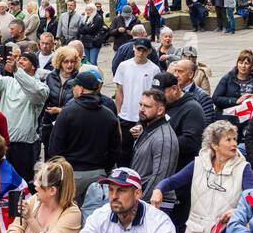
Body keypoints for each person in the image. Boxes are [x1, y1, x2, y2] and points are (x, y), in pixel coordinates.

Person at [48, 71, 120, 203]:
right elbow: (115, 149)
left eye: (74, 86)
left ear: (80, 89)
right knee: (94, 217)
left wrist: (59, 172)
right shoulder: (109, 115)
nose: (73, 89)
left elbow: (55, 148)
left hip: (71, 174)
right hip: (98, 174)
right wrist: (105, 169)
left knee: (69, 215)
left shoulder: (67, 113)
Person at [0, 49, 46, 183]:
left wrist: (17, 71)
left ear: (34, 66)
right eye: (19, 59)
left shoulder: (41, 87)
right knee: (0, 181)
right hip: (3, 143)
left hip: (24, 146)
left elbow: (34, 91)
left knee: (22, 183)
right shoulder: (7, 82)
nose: (20, 61)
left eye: (25, 59)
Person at [129, 88, 179, 208]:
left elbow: (160, 176)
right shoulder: (147, 128)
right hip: (143, 197)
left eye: (146, 106)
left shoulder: (164, 138)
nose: (141, 109)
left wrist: (140, 204)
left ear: (160, 110)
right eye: (140, 105)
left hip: (155, 203)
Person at [113, 39, 161, 159]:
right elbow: (119, 91)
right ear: (134, 48)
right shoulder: (123, 66)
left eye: (144, 50)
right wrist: (118, 114)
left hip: (145, 118)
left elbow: (155, 96)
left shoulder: (154, 69)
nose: (141, 53)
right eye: (139, 49)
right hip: (125, 117)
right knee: (123, 152)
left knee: (142, 153)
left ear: (149, 51)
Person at [155, 70, 205, 172]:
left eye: (161, 93)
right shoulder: (162, 104)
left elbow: (191, 142)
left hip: (180, 169)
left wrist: (159, 141)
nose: (157, 97)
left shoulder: (192, 109)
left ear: (174, 89)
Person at [212, 50, 253, 138]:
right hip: (229, 118)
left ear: (251, 66)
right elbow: (216, 98)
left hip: (248, 120)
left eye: (246, 63)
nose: (243, 66)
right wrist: (236, 101)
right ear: (237, 63)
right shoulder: (227, 78)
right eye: (241, 63)